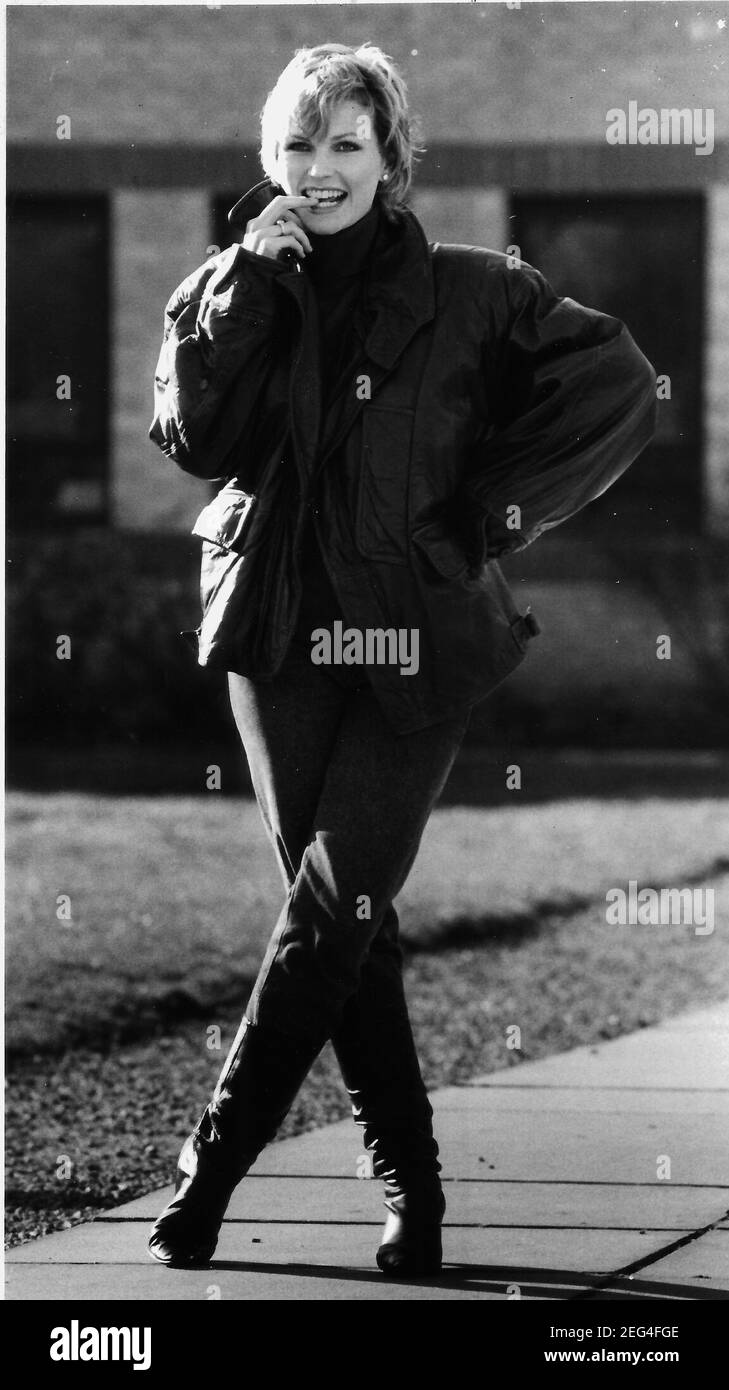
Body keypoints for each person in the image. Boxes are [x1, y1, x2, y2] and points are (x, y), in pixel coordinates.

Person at [147, 41, 657, 1277]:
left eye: (345, 145)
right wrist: (246, 295)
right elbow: (190, 434)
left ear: (391, 157)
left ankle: (211, 1167)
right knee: (342, 921)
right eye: (298, 146)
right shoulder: (225, 284)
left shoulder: (479, 290)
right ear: (271, 157)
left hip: (418, 631)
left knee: (336, 903)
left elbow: (623, 385)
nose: (318, 171)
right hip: (278, 633)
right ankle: (415, 1193)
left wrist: (495, 515)